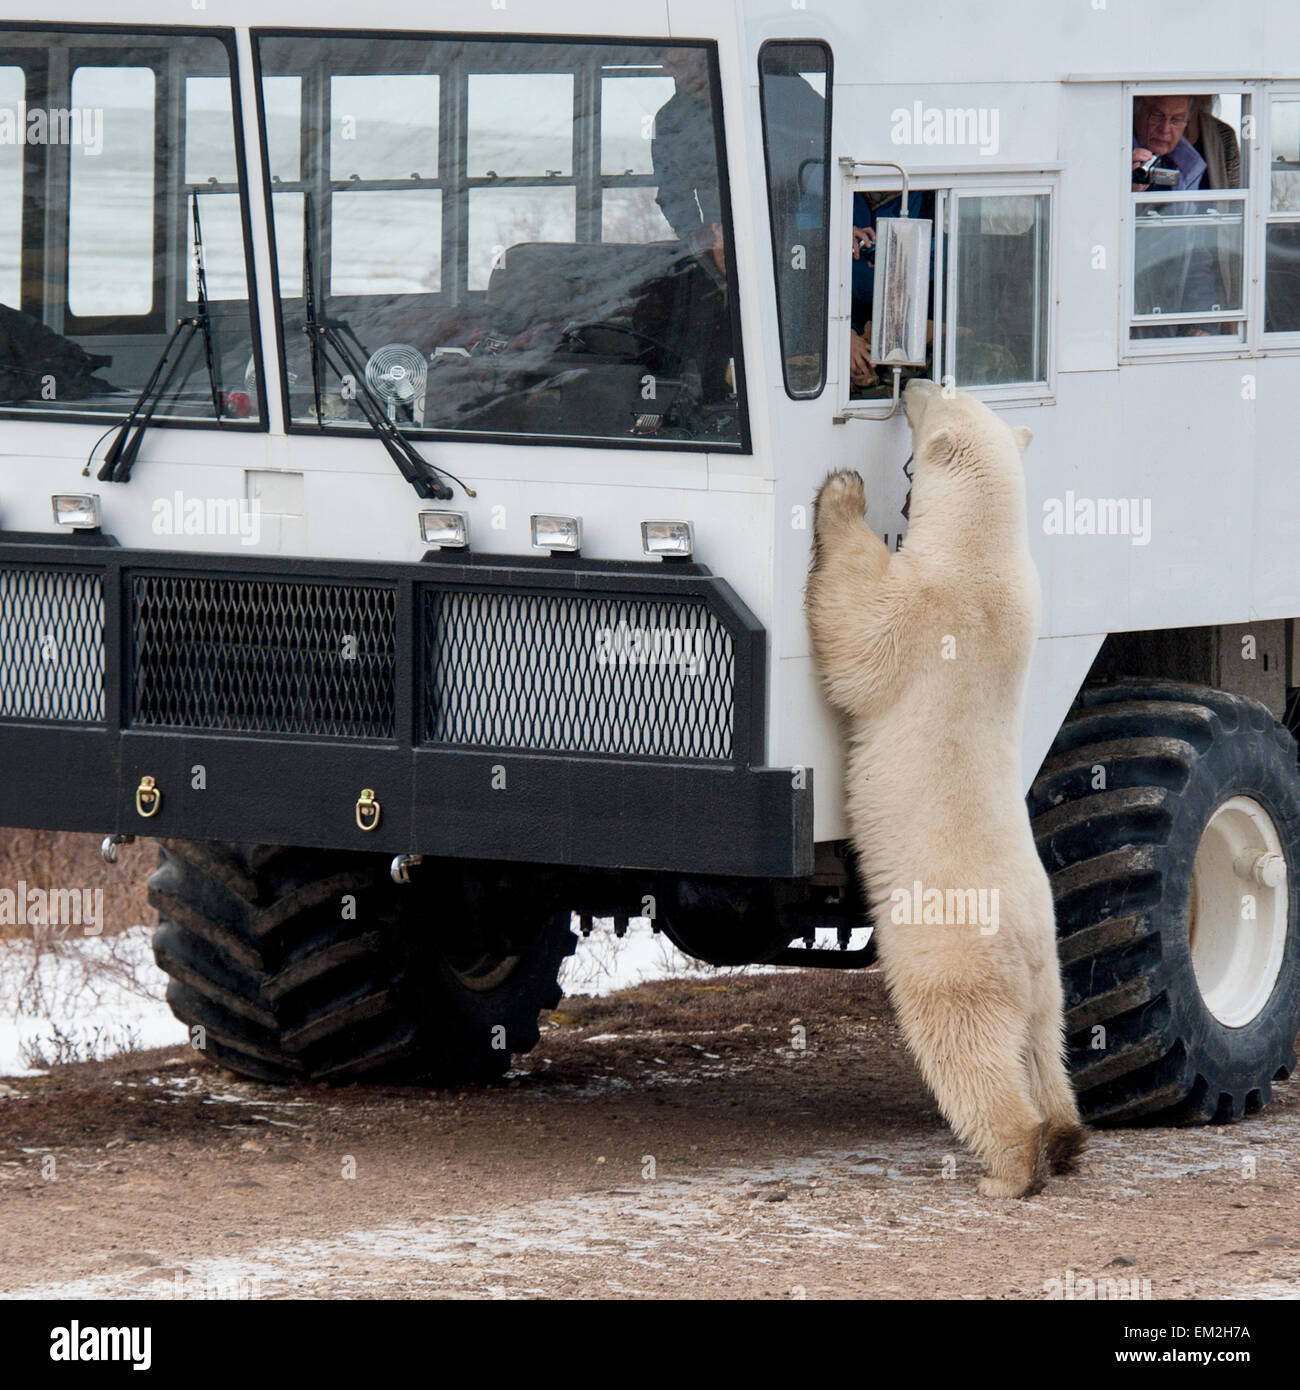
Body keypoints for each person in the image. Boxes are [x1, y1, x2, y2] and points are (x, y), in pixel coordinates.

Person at [1130, 95, 1217, 337]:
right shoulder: (1111, 156)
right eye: (1156, 116)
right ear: (1136, 113)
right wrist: (1121, 193)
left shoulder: (1186, 168)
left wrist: (1201, 322)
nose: (1165, 129)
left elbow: (1195, 253)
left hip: (1162, 317)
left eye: (1177, 120)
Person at [848, 189, 934, 388]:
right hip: (845, 314)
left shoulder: (930, 198)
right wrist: (843, 333)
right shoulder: (830, 187)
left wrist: (900, 257)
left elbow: (941, 260)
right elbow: (799, 257)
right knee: (859, 373)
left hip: (905, 315)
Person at [651, 49, 725, 275]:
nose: (695, 71)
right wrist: (697, 238)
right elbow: (673, 191)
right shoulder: (670, 120)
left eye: (702, 62)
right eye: (683, 64)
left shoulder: (758, 91)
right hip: (717, 239)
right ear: (667, 68)